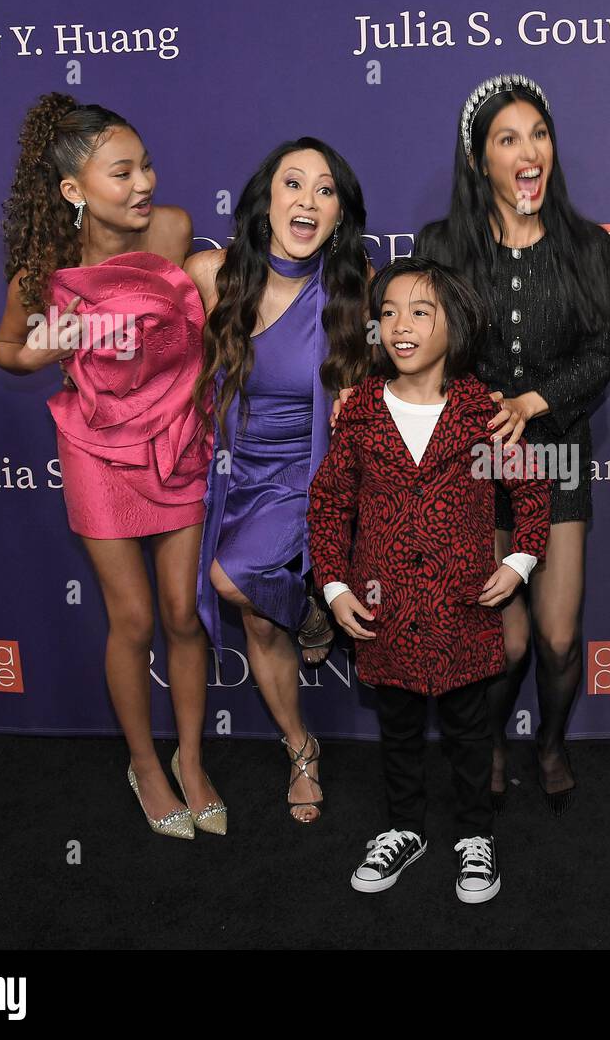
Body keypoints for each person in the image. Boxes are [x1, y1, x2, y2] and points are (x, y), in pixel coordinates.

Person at [0, 93, 216, 838]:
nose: (143, 183)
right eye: (122, 173)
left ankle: (189, 759)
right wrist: (43, 349)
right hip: (94, 447)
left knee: (184, 614)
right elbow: (6, 349)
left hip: (176, 438)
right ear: (73, 190)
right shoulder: (43, 270)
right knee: (135, 618)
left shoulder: (175, 229)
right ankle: (144, 764)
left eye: (145, 164)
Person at [309, 257, 550, 902]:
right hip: (383, 609)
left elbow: (531, 488)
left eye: (421, 312)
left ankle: (475, 836)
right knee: (399, 728)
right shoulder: (358, 408)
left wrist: (519, 562)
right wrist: (333, 586)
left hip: (462, 608)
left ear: (456, 326)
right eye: (388, 312)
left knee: (472, 730)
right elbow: (331, 502)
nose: (400, 325)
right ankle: (403, 829)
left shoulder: (482, 410)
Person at [416, 74, 610, 814]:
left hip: (558, 453)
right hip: (478, 462)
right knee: (503, 645)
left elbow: (603, 357)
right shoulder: (441, 247)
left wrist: (537, 399)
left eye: (538, 133)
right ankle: (493, 743)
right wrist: (476, 409)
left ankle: (553, 741)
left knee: (559, 639)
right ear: (479, 161)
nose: (529, 151)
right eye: (508, 138)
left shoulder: (588, 244)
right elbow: (421, 351)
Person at [187, 138, 369, 824]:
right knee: (259, 624)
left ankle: (313, 606)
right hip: (231, 469)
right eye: (293, 184)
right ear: (265, 200)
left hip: (309, 471)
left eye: (326, 190)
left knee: (233, 579)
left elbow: (366, 393)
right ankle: (300, 746)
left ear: (339, 215)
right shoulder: (213, 273)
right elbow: (154, 347)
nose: (308, 200)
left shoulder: (354, 288)